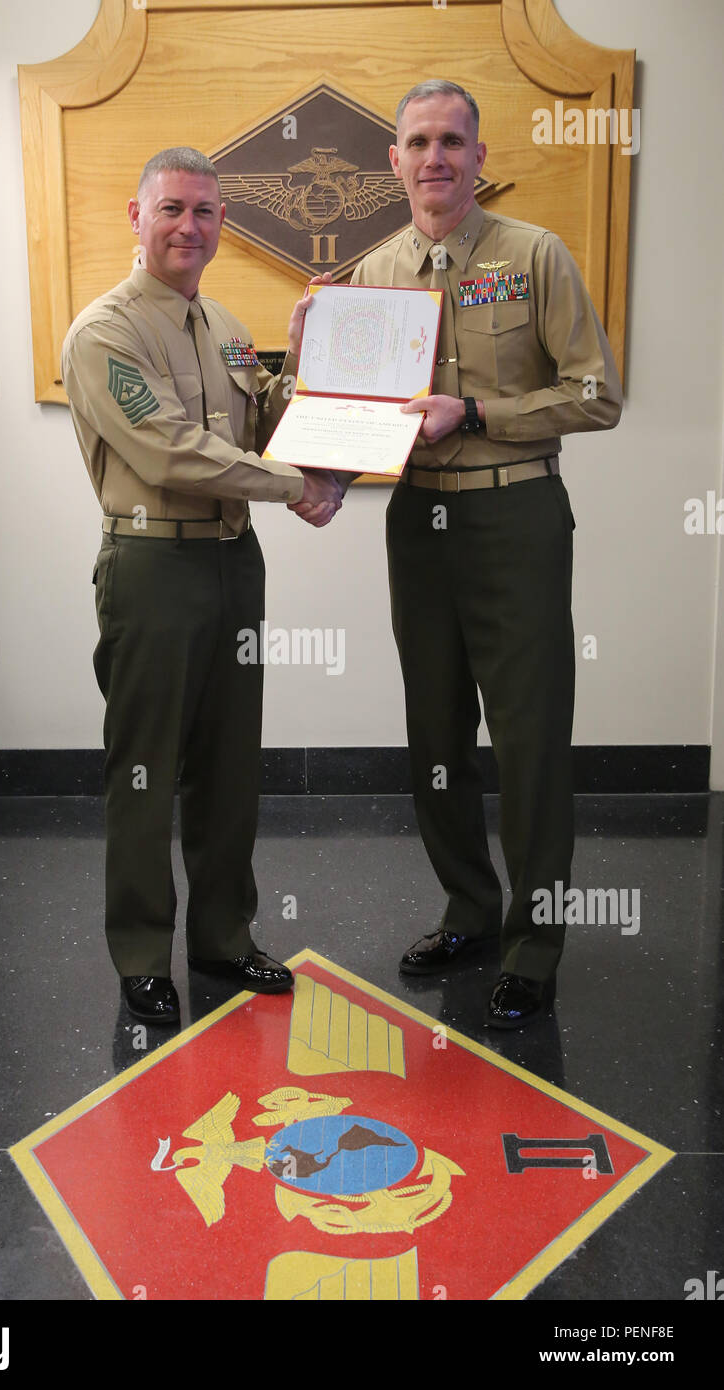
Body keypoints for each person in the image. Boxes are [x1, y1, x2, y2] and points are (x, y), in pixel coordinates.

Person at [316, 80, 622, 1027]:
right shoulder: (370, 275)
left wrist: (479, 412)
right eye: (418, 141)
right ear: (394, 161)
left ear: (480, 156)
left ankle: (535, 943)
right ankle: (469, 911)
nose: (435, 156)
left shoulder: (536, 257)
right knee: (436, 731)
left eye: (453, 139)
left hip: (515, 516)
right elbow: (356, 420)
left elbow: (596, 395)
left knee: (528, 738)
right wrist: (313, 394)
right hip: (420, 523)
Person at [61, 147, 342, 1023]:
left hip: (231, 562)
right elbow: (170, 450)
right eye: (173, 209)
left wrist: (305, 358)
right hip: (153, 569)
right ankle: (143, 954)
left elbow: (264, 419)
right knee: (145, 769)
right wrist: (297, 485)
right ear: (136, 218)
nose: (190, 226)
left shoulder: (219, 321)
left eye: (207, 213)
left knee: (229, 765)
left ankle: (224, 938)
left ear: (223, 223)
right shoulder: (104, 332)